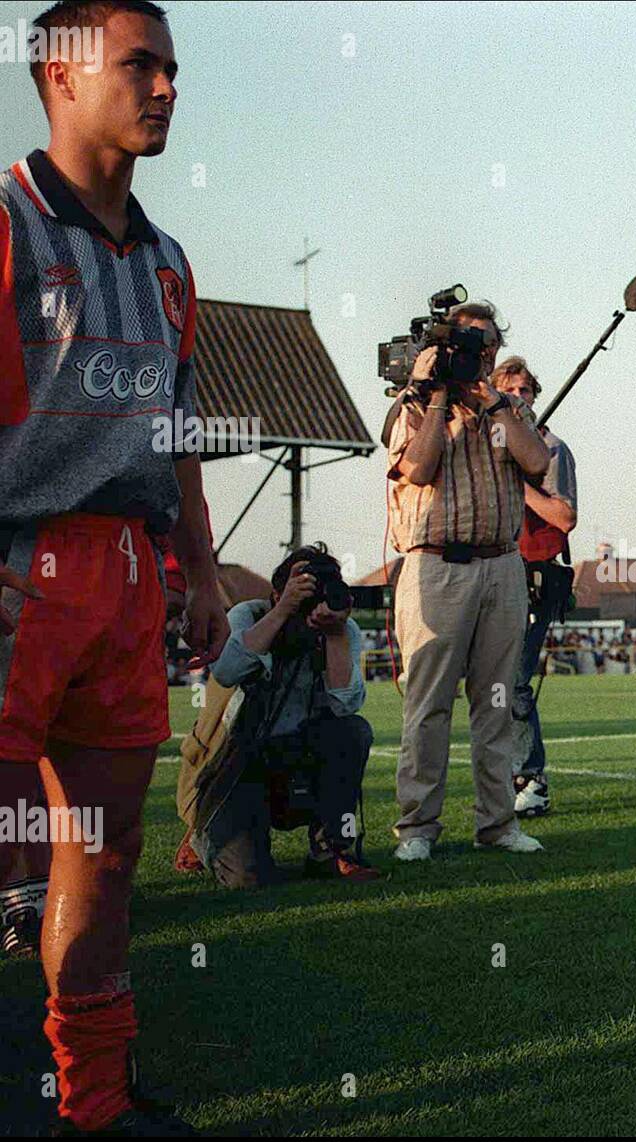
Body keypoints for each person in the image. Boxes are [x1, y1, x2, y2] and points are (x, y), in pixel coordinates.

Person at [0, 0, 228, 1133]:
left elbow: (177, 427)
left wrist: (201, 567)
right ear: (58, 74)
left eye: (173, 68)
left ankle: (91, 1109)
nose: (168, 87)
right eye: (141, 65)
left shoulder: (172, 263)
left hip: (127, 577)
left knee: (102, 853)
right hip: (15, 571)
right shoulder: (4, 224)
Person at [386, 302, 551, 859]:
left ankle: (498, 823)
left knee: (497, 703)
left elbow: (536, 464)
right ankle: (417, 829)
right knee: (428, 704)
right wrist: (436, 394)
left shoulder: (507, 410)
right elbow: (419, 467)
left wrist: (496, 405)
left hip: (502, 563)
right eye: (465, 344)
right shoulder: (412, 404)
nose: (475, 356)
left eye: (485, 346)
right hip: (436, 564)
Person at [198, 543, 379, 887]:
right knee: (245, 879)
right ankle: (207, 835)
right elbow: (226, 671)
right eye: (302, 596)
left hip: (303, 761)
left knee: (353, 731)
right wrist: (283, 611)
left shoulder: (340, 630)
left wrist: (335, 636)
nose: (311, 609)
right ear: (276, 594)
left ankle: (332, 849)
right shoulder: (250, 616)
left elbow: (346, 706)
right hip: (244, 764)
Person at [490, 357, 578, 820]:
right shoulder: (484, 446)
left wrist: (517, 485)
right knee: (488, 684)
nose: (518, 398)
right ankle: (501, 778)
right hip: (490, 572)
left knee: (515, 682)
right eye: (508, 391)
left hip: (533, 575)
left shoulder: (552, 448)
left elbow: (564, 516)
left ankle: (530, 779)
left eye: (525, 391)